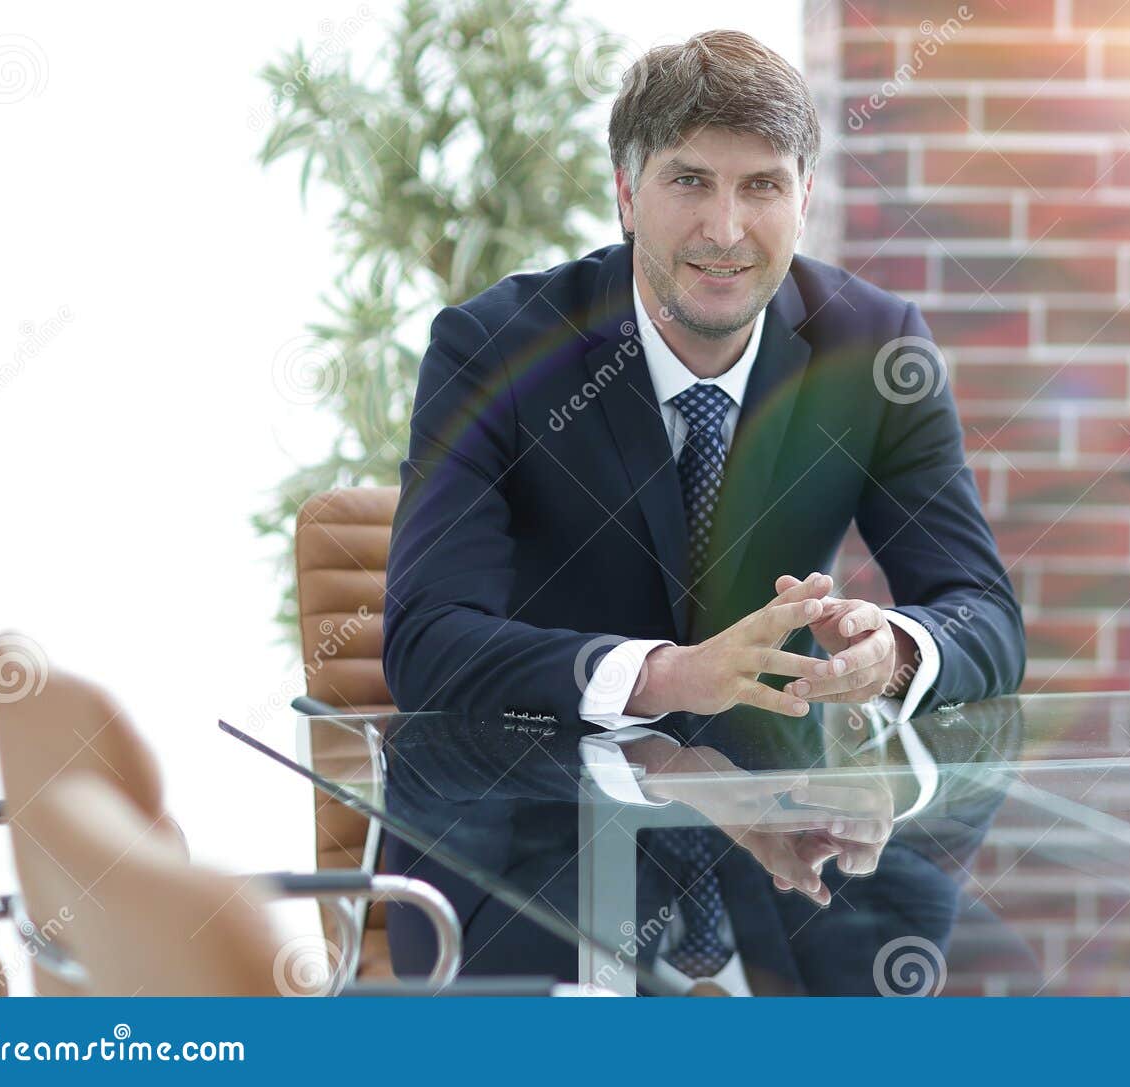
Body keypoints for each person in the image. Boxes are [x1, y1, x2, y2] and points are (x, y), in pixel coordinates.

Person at [382, 29, 1025, 995]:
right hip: (537, 867)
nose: (725, 229)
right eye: (689, 181)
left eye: (761, 186)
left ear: (805, 198)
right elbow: (427, 640)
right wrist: (665, 675)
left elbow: (984, 612)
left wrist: (893, 648)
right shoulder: (495, 348)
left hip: (796, 856)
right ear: (625, 191)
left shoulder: (875, 348)